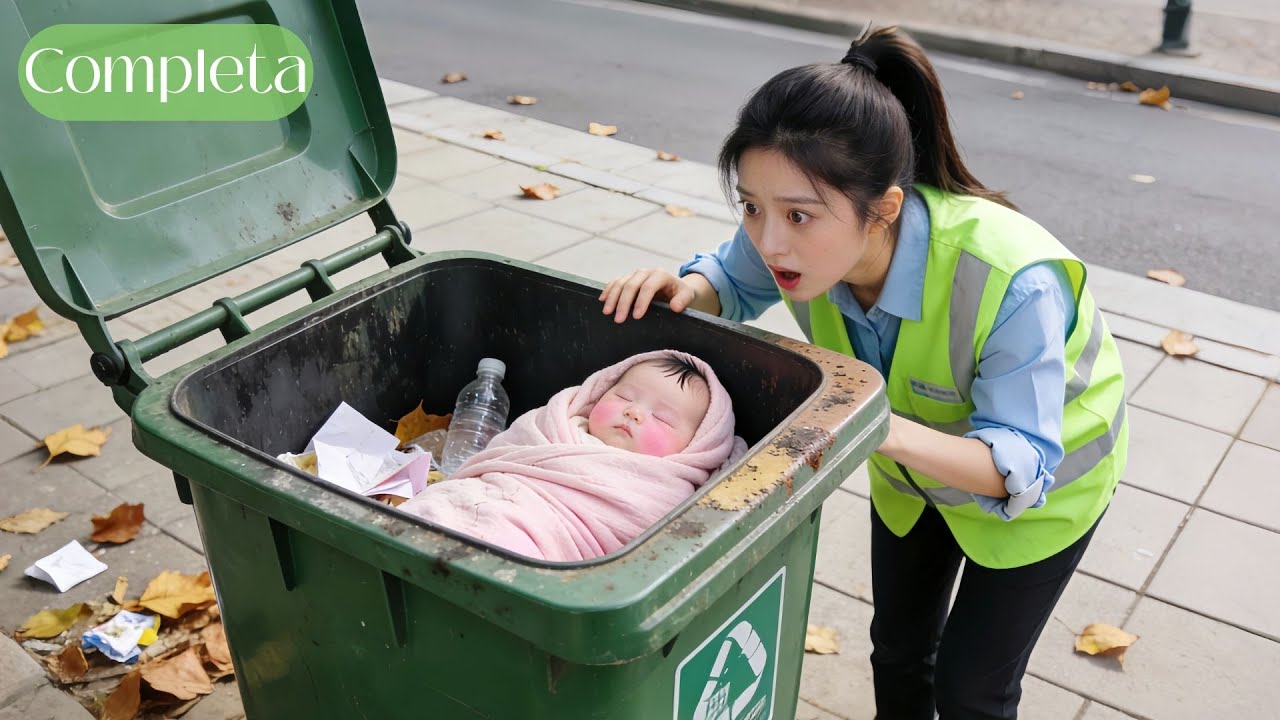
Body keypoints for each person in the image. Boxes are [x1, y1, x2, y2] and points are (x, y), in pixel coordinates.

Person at [598, 26, 1127, 720]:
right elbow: (731, 276)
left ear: (884, 209)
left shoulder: (1010, 280)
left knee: (973, 690)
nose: (770, 240)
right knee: (899, 650)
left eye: (797, 215)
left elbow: (1019, 461)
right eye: (751, 206)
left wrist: (869, 427)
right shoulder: (789, 237)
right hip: (911, 473)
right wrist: (680, 291)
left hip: (1044, 494)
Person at [400, 351, 747, 562]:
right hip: (478, 502)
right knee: (432, 510)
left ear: (695, 449)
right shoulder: (553, 423)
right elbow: (499, 456)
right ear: (597, 393)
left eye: (663, 418)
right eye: (624, 396)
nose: (635, 413)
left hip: (542, 544)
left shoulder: (665, 488)